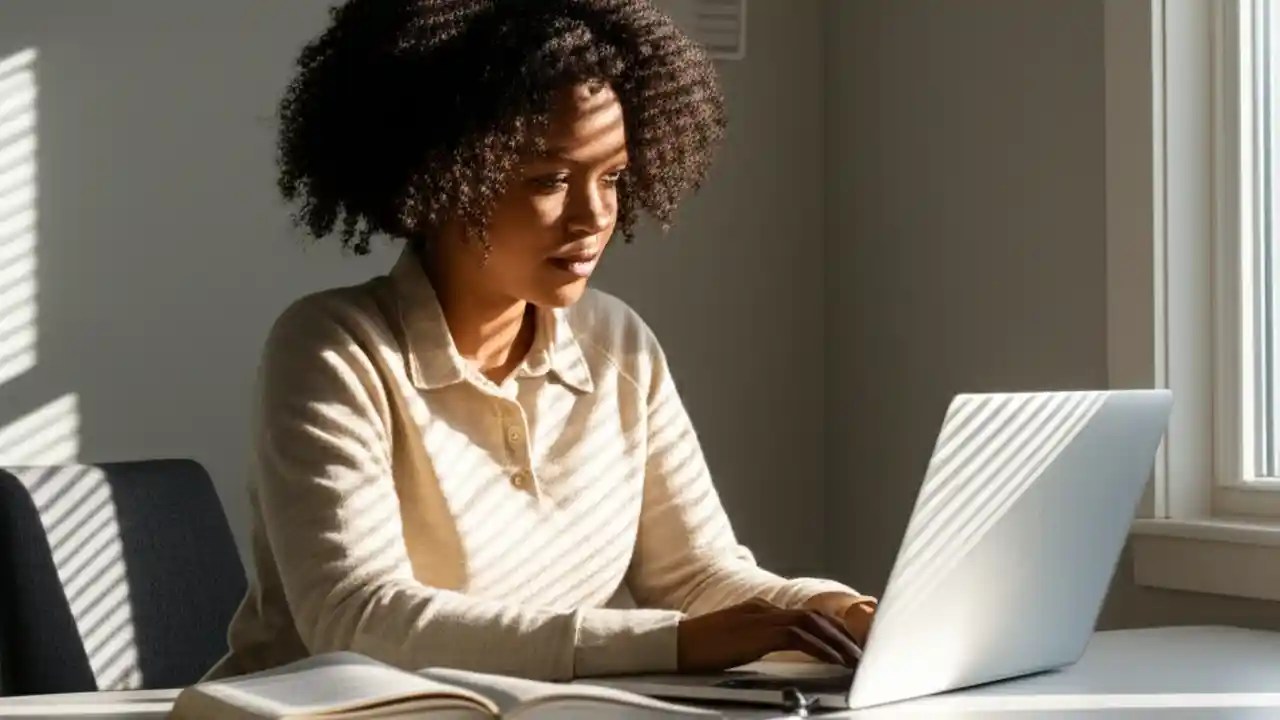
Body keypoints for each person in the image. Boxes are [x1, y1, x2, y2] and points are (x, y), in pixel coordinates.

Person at [206, 0, 877, 683]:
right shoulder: (333, 350)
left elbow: (701, 577)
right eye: (549, 180)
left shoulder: (619, 346)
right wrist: (672, 643)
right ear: (440, 178)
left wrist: (848, 616)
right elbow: (357, 617)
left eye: (612, 177)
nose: (594, 217)